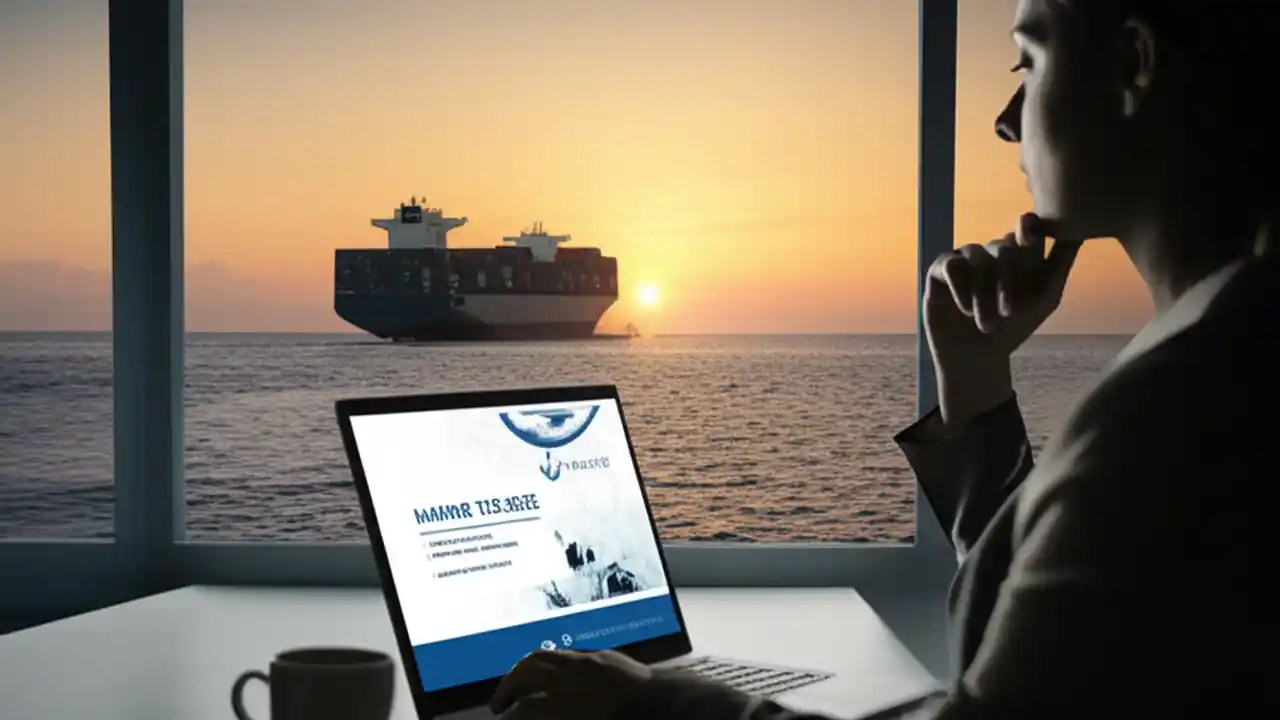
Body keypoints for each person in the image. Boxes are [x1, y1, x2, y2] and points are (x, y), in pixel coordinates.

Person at [489, 0, 1278, 717]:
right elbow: (1034, 665)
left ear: (1132, 66)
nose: (1006, 121)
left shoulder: (1183, 410)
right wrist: (973, 387)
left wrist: (656, 709)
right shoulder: (1223, 351)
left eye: (1027, 63)